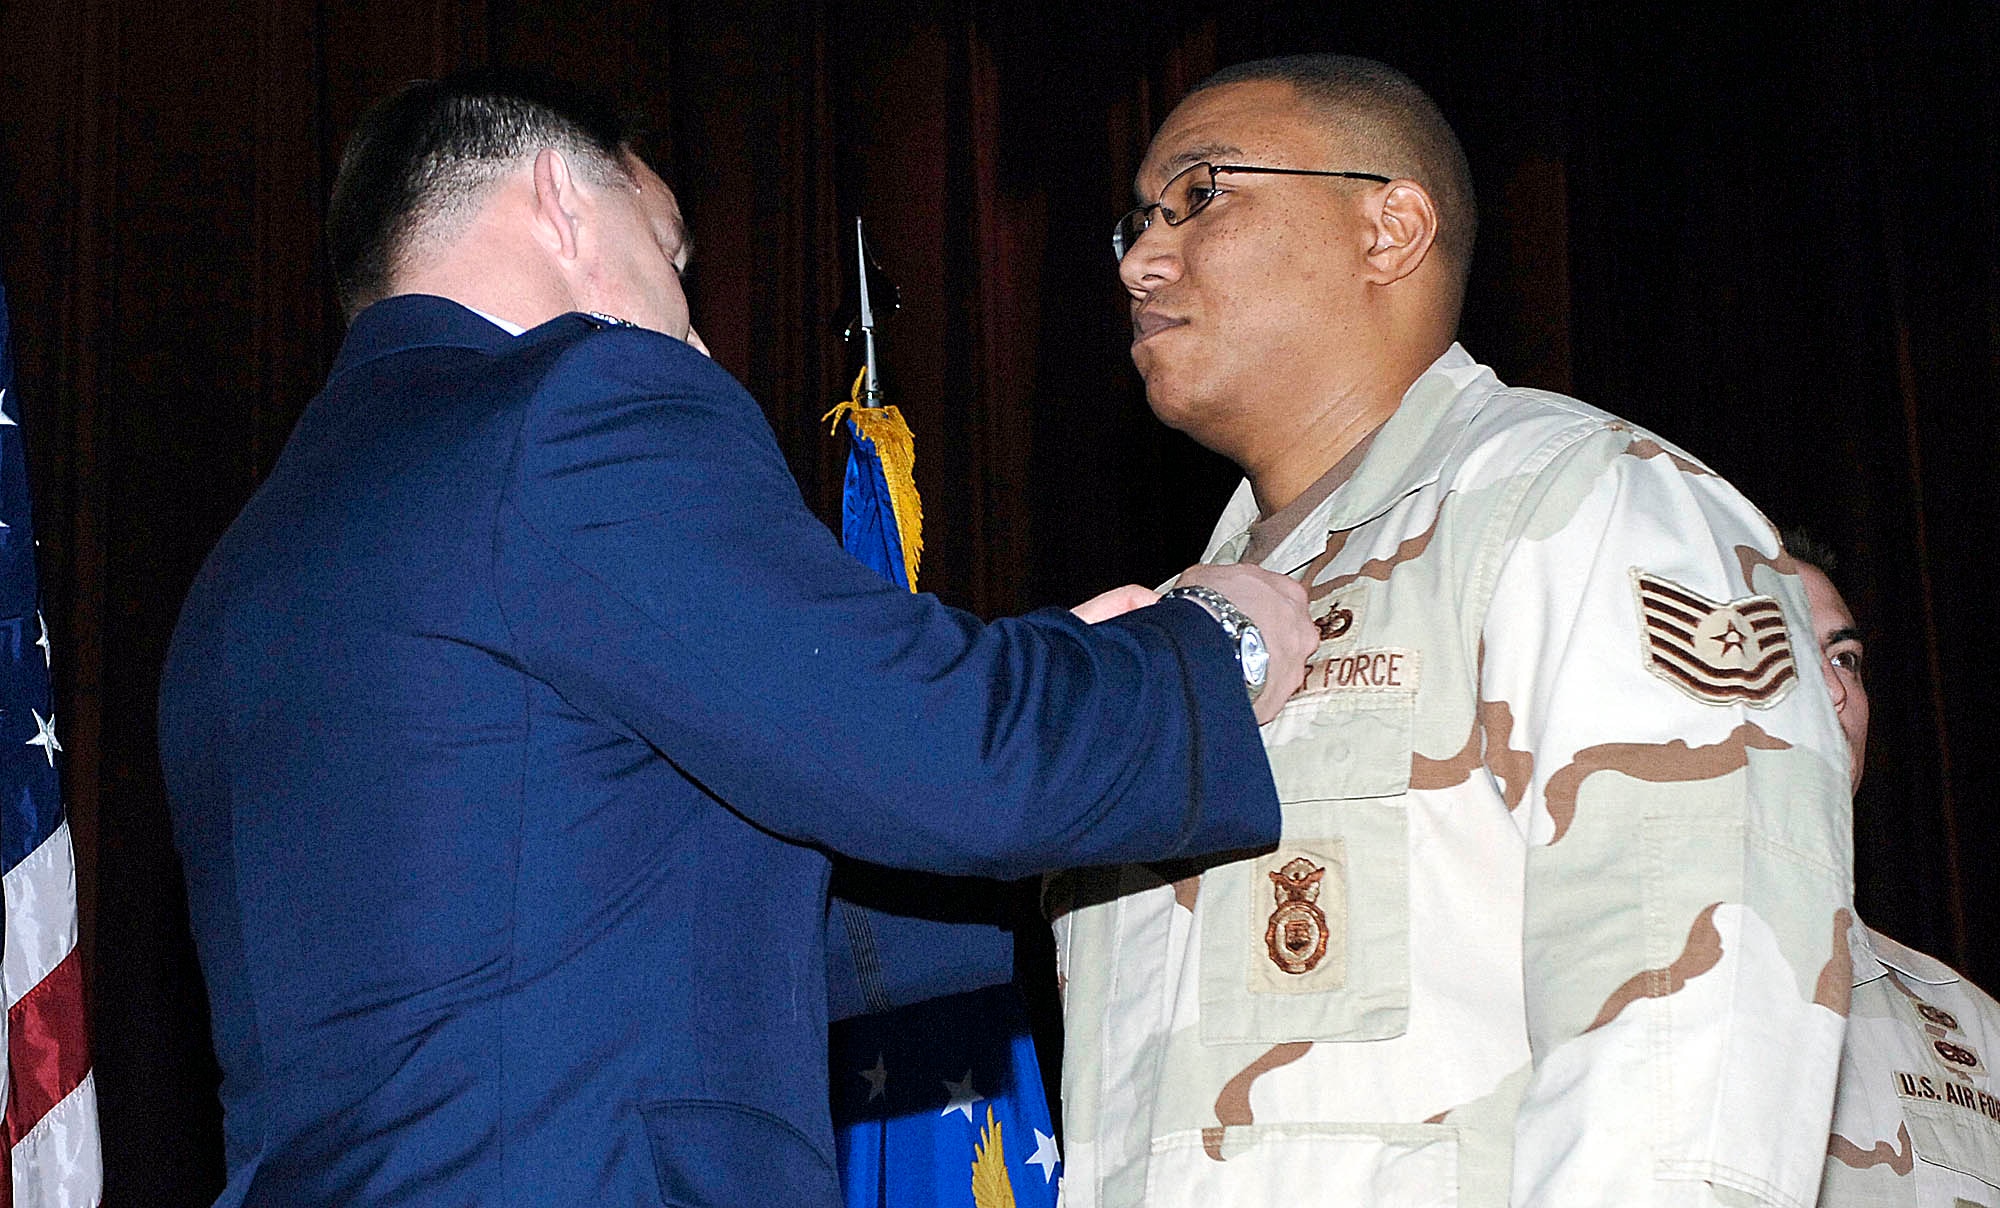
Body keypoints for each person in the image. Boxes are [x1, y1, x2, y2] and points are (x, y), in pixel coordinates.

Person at [154, 71, 1321, 1207]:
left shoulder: (247, 568)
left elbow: (632, 930)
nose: (695, 333)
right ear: (562, 199)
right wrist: (1209, 650)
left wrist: (1044, 746)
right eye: (669, 259)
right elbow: (942, 752)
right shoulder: (579, 402)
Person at [1049, 54, 1856, 1207]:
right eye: (1135, 221)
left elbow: (1692, 1042)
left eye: (1199, 195)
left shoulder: (1577, 503)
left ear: (1389, 227)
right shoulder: (1179, 628)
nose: (1140, 258)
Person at [1790, 539, 2000, 1206]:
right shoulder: (1585, 977)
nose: (1833, 688)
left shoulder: (1973, 1025)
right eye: (1789, 642)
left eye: (1845, 659)